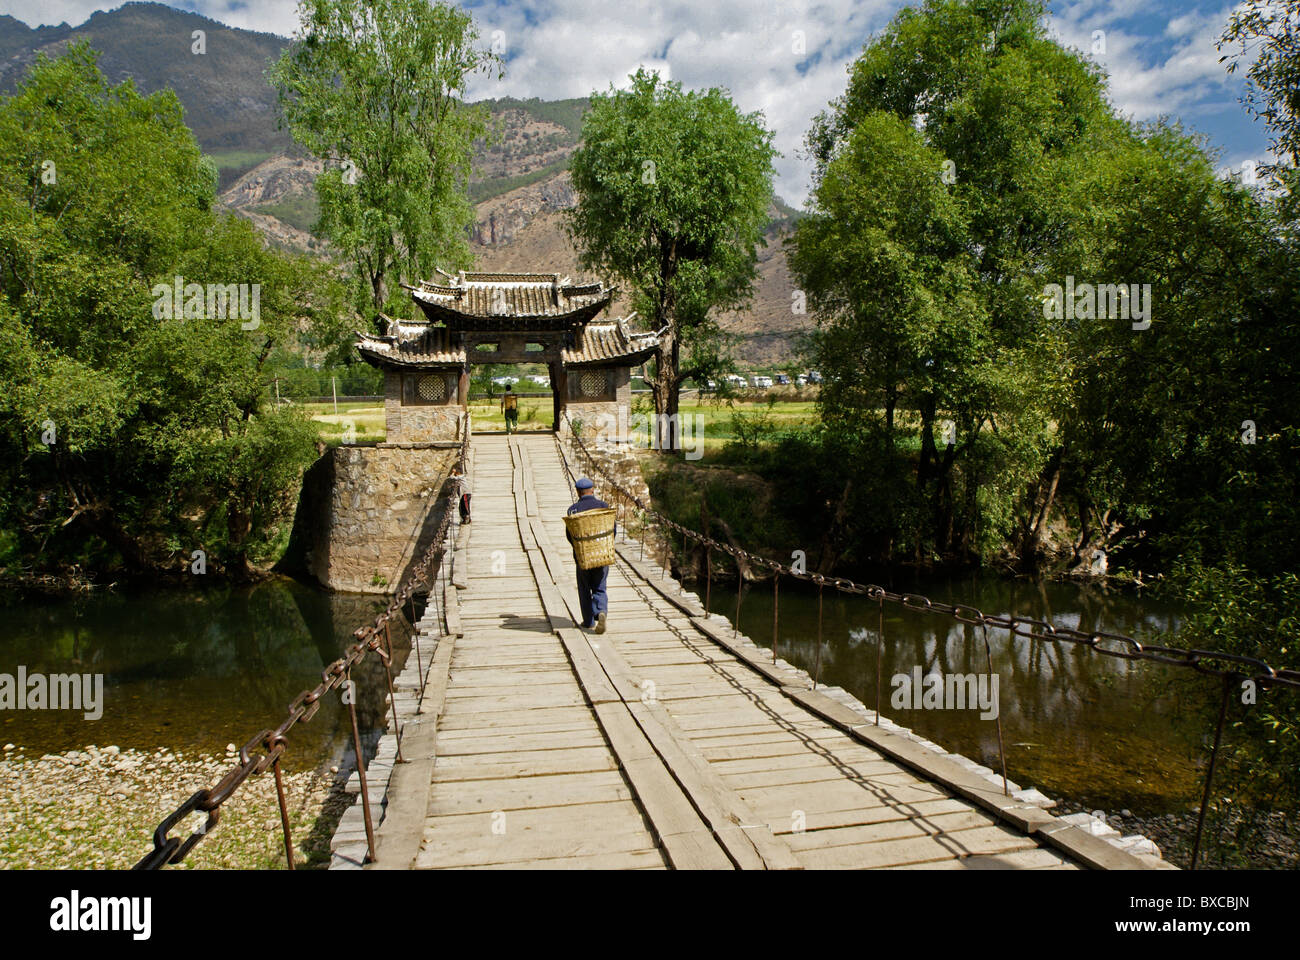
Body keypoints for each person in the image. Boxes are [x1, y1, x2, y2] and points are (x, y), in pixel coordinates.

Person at [565, 477, 613, 633]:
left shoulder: (572, 510)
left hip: (583, 557)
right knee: (600, 587)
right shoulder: (603, 506)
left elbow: (570, 534)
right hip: (602, 554)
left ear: (578, 492)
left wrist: (578, 548)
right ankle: (601, 611)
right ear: (593, 490)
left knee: (584, 588)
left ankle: (588, 621)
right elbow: (612, 530)